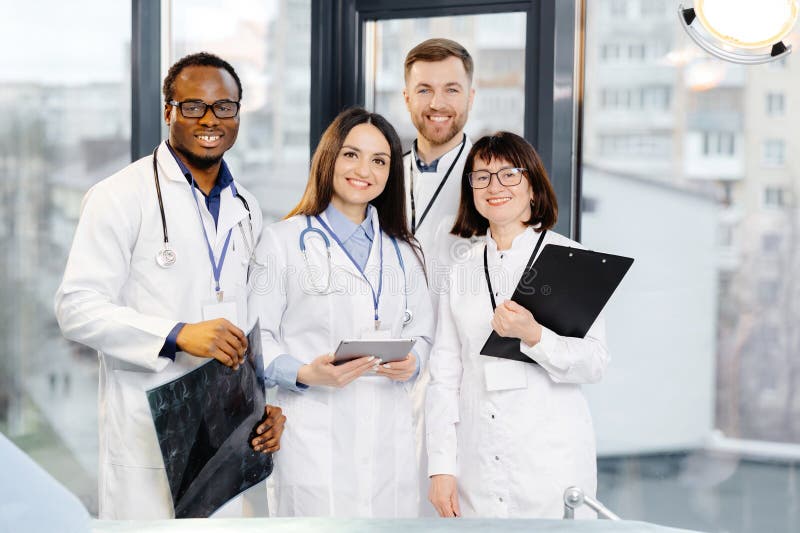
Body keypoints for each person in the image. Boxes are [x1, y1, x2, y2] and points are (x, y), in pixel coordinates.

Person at [54, 52, 284, 519]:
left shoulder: (247, 207)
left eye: (224, 107)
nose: (210, 119)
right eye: (193, 106)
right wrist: (176, 334)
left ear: (238, 114)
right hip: (147, 433)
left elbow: (254, 324)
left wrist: (267, 406)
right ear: (168, 111)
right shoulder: (119, 196)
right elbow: (75, 307)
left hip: (223, 437)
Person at [249, 106, 434, 517]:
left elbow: (424, 332)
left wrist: (414, 362)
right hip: (314, 435)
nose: (364, 170)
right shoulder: (282, 242)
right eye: (351, 154)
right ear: (329, 157)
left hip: (388, 438)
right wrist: (304, 373)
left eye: (379, 161)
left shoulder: (404, 251)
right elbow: (257, 338)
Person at [426, 132, 609, 518]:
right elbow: (444, 378)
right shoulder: (460, 271)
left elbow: (594, 363)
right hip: (477, 463)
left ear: (533, 188)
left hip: (550, 463)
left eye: (509, 174)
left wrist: (535, 335)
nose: (494, 186)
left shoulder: (572, 259)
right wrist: (441, 467)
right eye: (482, 176)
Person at [401, 37, 476, 516]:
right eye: (424, 90)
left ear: (471, 96)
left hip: (459, 372)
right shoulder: (379, 173)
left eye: (451, 89)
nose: (438, 103)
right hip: (388, 364)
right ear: (407, 97)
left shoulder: (489, 178)